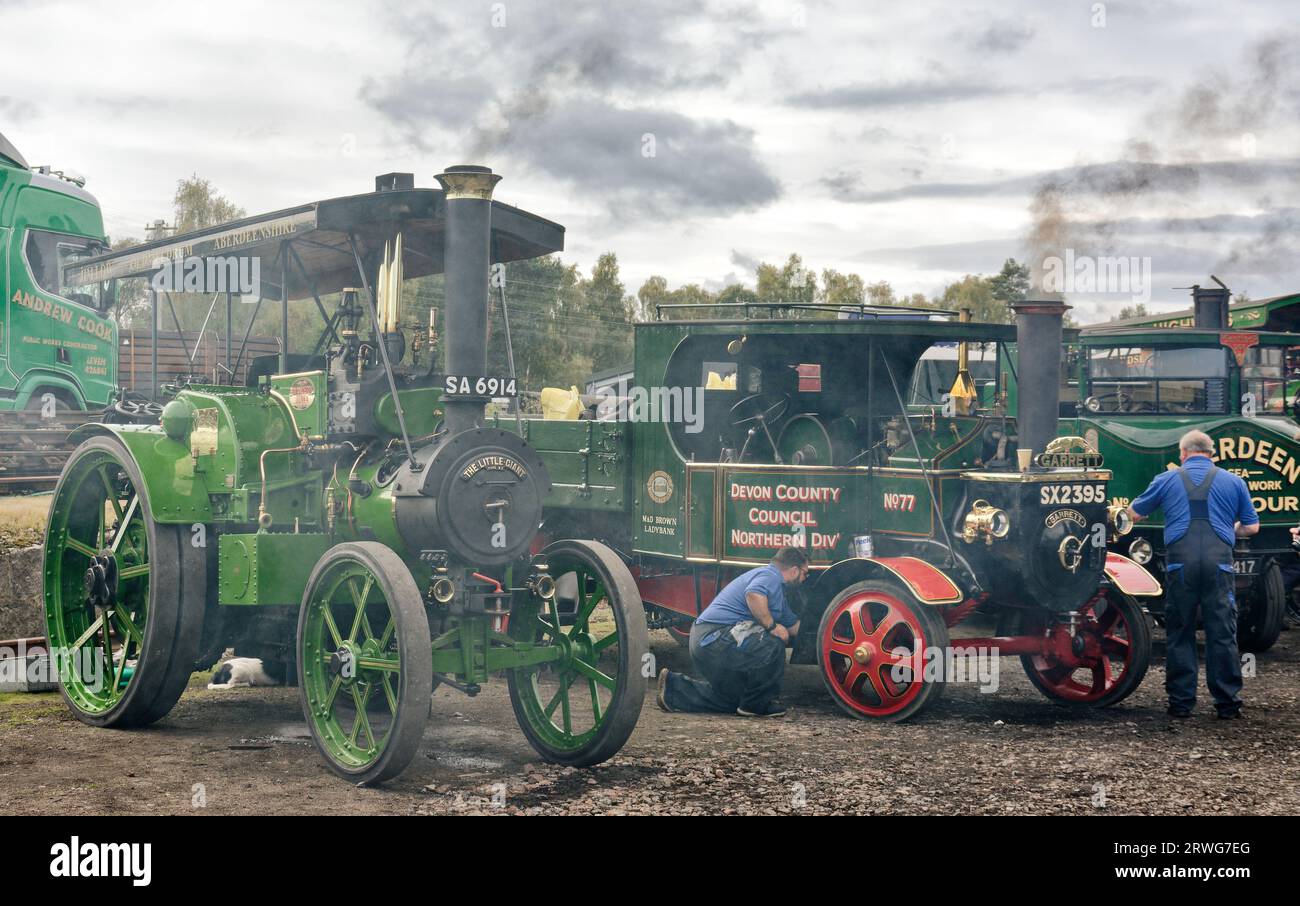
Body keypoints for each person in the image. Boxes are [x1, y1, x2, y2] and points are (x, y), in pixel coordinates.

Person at [1125, 429, 1258, 719]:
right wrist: (1230, 529)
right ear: (1211, 453)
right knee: (1222, 632)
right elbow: (1252, 527)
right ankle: (1227, 704)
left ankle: (1181, 703)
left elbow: (1133, 514)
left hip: (1180, 564)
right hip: (1219, 564)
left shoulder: (1167, 479)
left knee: (1180, 630)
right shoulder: (1234, 481)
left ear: (1182, 454)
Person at [657, 546, 809, 718]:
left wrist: (821, 635)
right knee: (772, 645)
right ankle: (757, 706)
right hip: (712, 637)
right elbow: (753, 594)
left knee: (736, 699)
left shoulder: (778, 593)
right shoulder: (770, 575)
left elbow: (794, 626)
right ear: (795, 570)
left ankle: (673, 690)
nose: (805, 578)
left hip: (706, 642)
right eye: (805, 573)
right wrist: (772, 626)